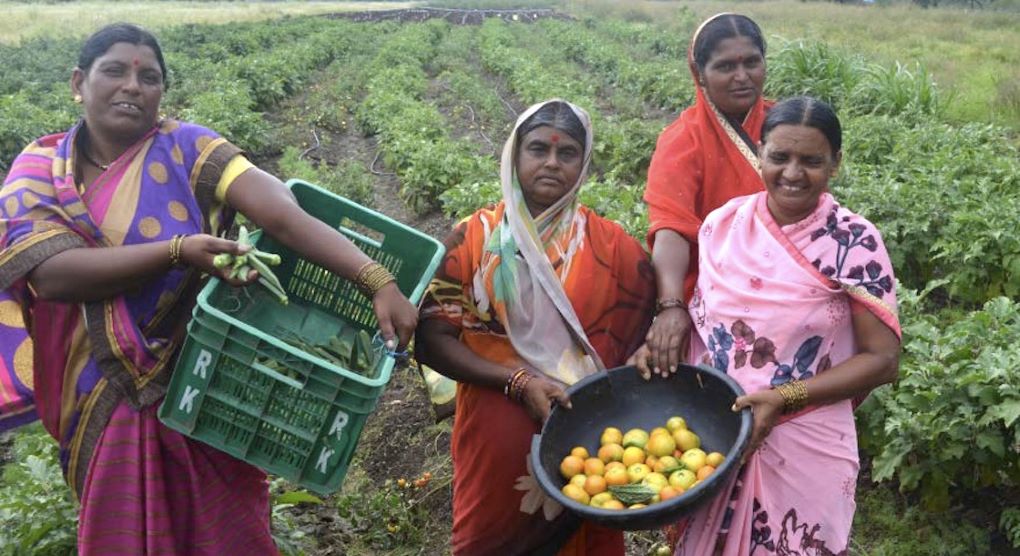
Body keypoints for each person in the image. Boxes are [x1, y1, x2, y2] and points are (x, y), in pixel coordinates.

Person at [0, 23, 418, 554]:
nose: (132, 86)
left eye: (148, 77)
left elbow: (281, 213)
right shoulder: (38, 169)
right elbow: (52, 275)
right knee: (122, 531)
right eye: (115, 71)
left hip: (197, 384)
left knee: (228, 532)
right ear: (78, 82)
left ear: (161, 93)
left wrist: (375, 278)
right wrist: (178, 251)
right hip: (99, 389)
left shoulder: (187, 148)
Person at [643, 96, 902, 555]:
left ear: (835, 164)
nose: (793, 173)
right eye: (779, 157)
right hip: (714, 435)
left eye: (812, 161)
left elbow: (882, 360)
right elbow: (707, 330)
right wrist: (662, 348)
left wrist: (784, 397)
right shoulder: (723, 224)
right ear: (759, 153)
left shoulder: (854, 243)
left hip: (805, 436)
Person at [415, 99, 656, 555]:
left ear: (583, 164)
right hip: (495, 433)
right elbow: (431, 339)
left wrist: (650, 344)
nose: (551, 162)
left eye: (566, 154)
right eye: (538, 149)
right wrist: (517, 381)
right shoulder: (475, 238)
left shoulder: (612, 247)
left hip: (590, 439)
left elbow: (653, 320)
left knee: (587, 532)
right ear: (514, 155)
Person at [639, 13, 772, 378]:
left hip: (783, 295)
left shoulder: (784, 127)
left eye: (751, 62)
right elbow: (671, 228)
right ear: (699, 74)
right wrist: (671, 306)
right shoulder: (683, 141)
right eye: (725, 66)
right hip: (713, 299)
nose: (741, 76)